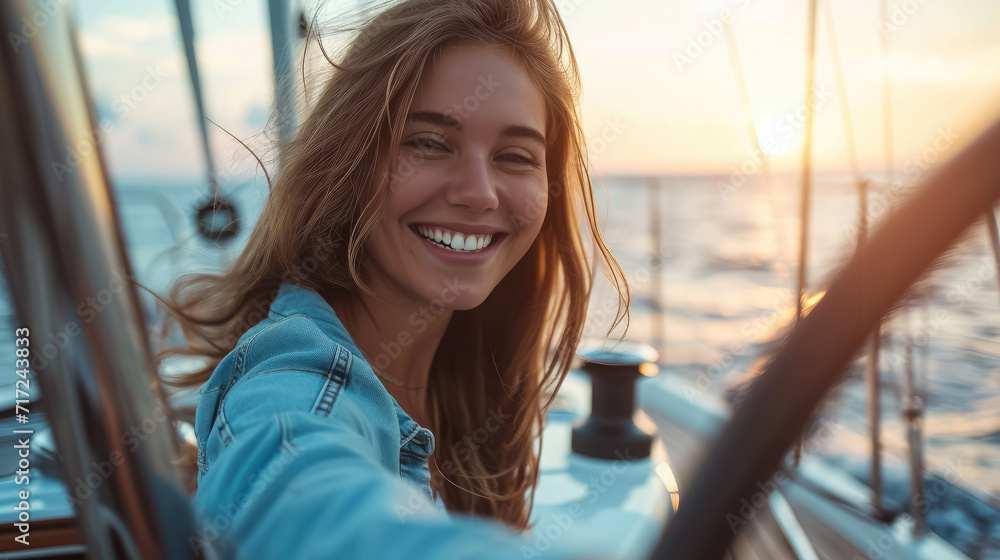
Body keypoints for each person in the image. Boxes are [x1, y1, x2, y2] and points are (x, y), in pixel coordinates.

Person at [154, 0, 628, 557]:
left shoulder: (466, 378)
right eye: (428, 142)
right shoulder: (297, 378)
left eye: (516, 156)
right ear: (347, 162)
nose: (479, 192)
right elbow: (288, 487)